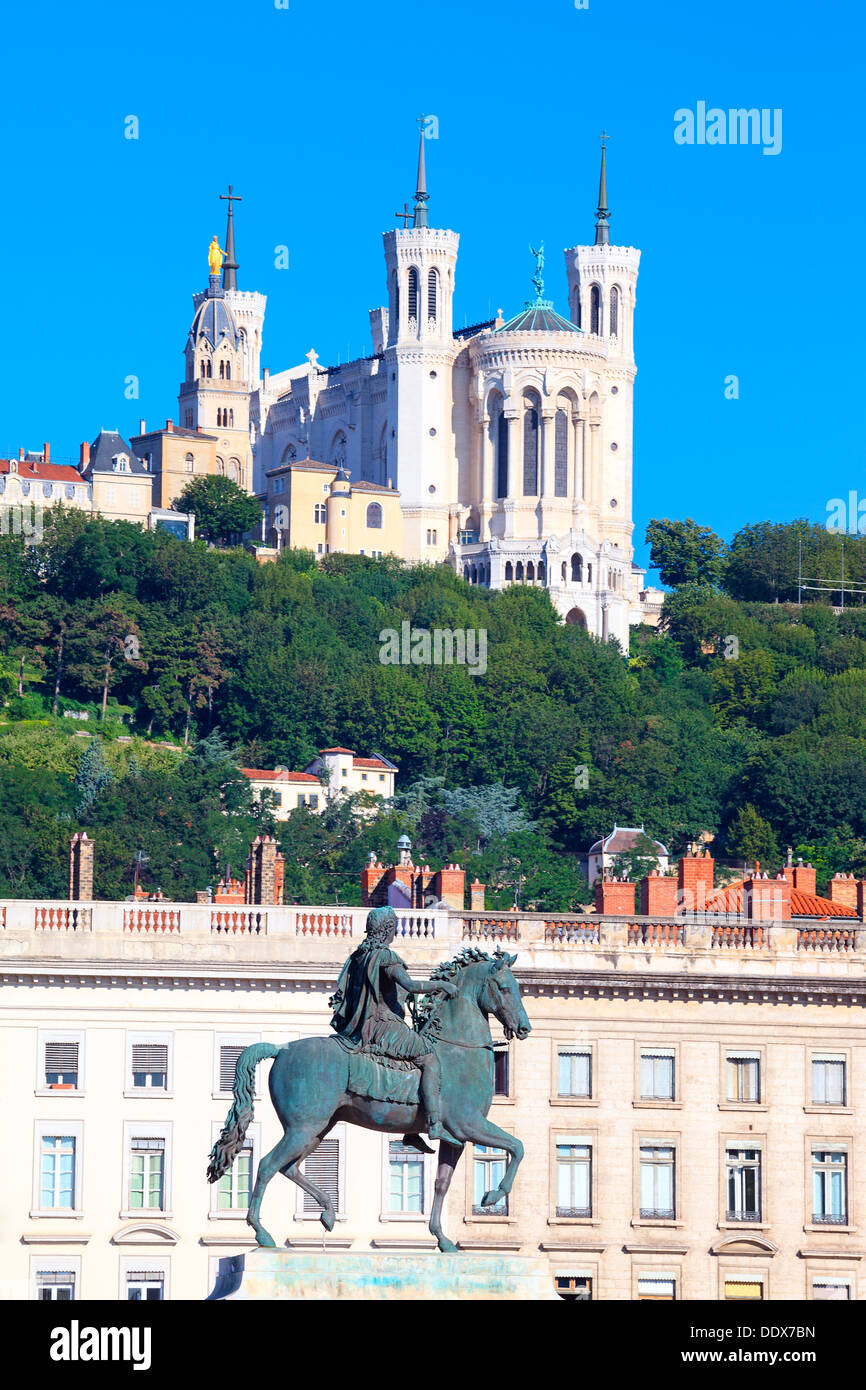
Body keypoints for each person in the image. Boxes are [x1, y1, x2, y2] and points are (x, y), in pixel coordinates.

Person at [330, 906, 458, 1144]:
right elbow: (409, 985)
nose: (395, 933)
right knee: (428, 1057)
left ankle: (410, 1129)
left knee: (411, 1060)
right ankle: (433, 1123)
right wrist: (443, 986)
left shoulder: (358, 956)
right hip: (383, 1025)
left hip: (360, 1025)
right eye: (394, 928)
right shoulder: (385, 956)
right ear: (388, 929)